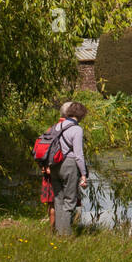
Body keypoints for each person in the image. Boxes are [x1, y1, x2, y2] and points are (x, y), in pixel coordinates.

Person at [51, 101, 89, 237]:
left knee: (58, 199)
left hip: (54, 165)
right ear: (81, 115)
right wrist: (83, 174)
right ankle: (65, 235)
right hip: (69, 164)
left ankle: (58, 233)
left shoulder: (57, 126)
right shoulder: (77, 129)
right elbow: (79, 155)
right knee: (69, 201)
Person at [39, 102, 72, 231]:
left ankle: (53, 230)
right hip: (62, 169)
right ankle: (63, 231)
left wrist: (43, 165)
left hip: (48, 169)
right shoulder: (70, 129)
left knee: (52, 202)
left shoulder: (51, 129)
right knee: (66, 200)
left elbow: (41, 149)